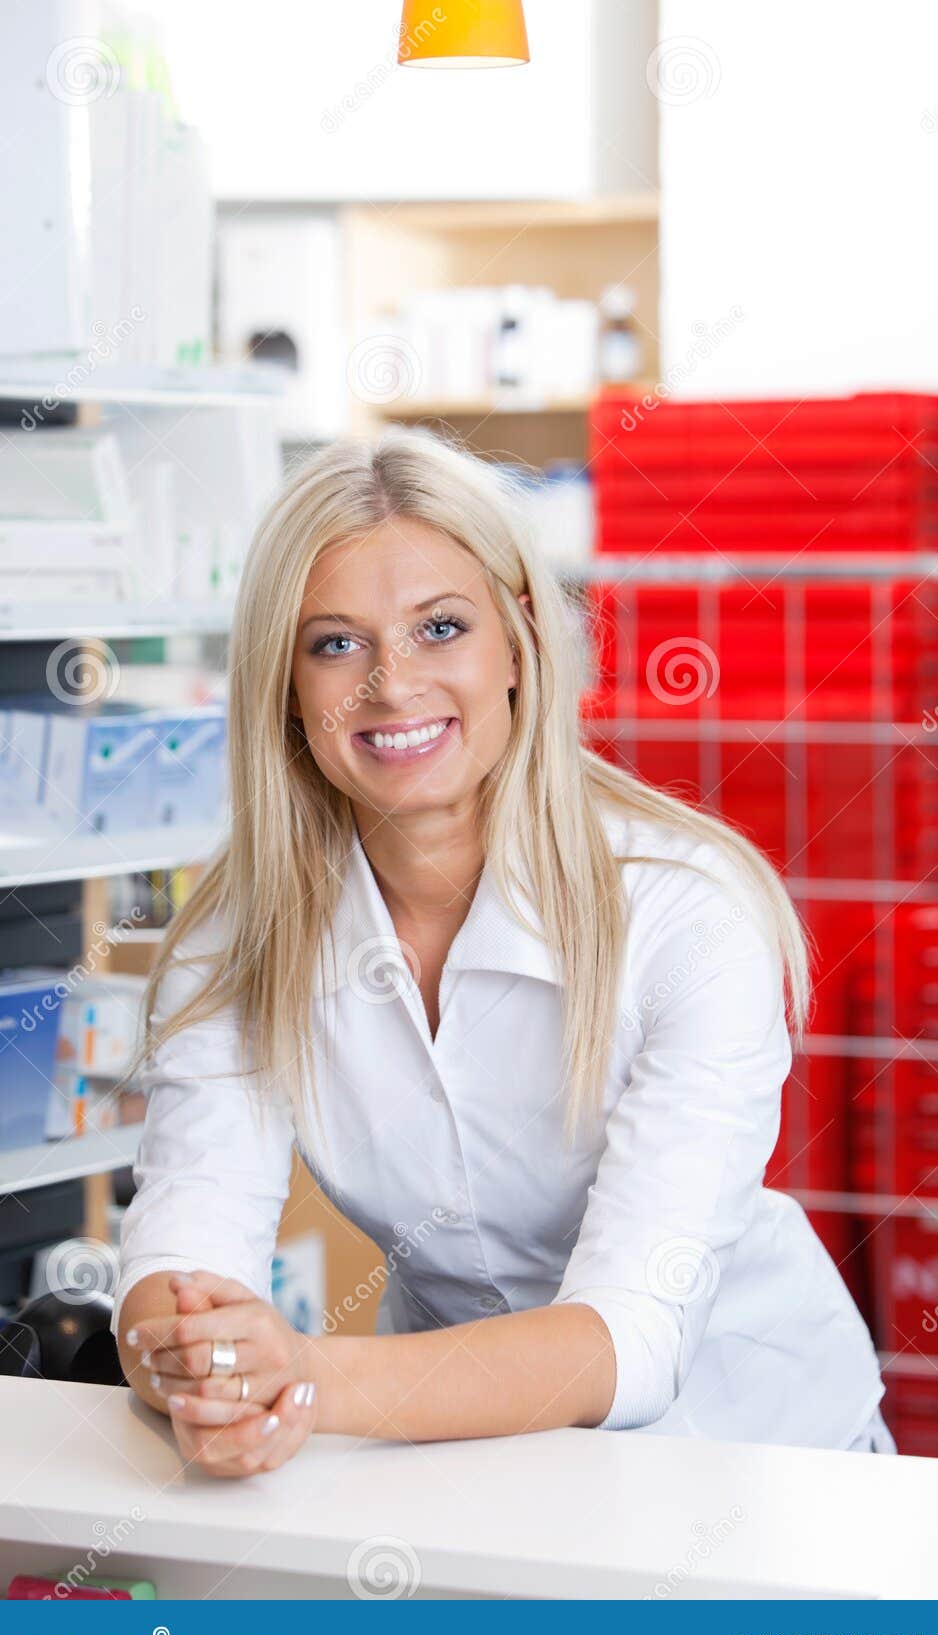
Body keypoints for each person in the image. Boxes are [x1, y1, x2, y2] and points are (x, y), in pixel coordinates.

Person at [113, 427, 894, 1478]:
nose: (391, 685)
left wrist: (300, 1376)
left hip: (759, 1457)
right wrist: (199, 1361)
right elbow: (183, 1242)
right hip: (454, 1452)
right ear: (283, 684)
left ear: (519, 642)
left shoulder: (683, 917)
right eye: (334, 643)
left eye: (440, 627)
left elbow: (630, 1340)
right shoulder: (243, 932)